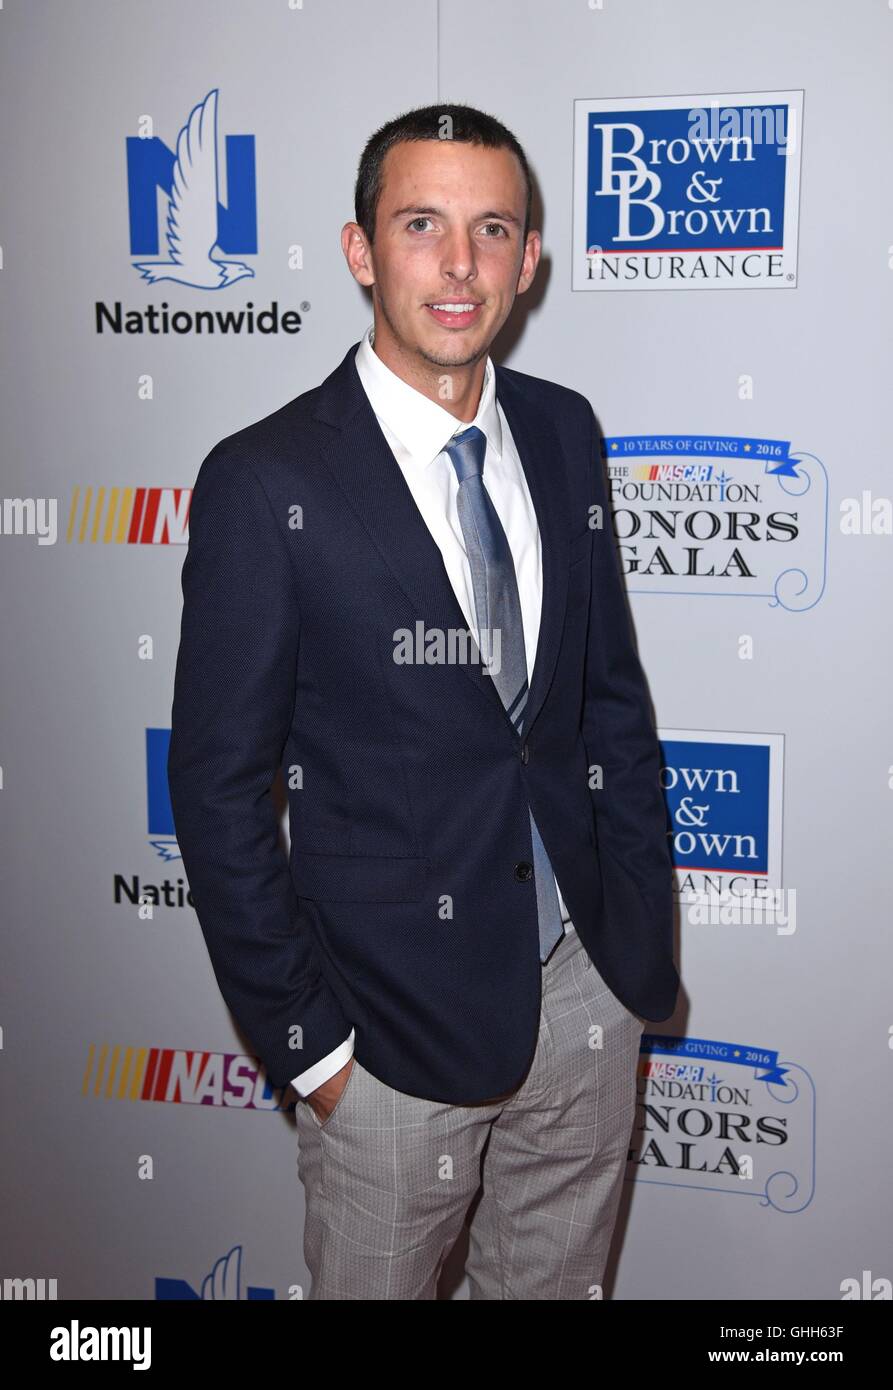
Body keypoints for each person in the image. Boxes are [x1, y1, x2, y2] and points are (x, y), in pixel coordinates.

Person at [168, 103, 679, 1300]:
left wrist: (632, 949)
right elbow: (217, 785)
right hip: (385, 1038)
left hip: (580, 993)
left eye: (490, 228)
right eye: (420, 225)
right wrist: (318, 1052)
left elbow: (610, 704)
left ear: (528, 258)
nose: (458, 265)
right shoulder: (267, 480)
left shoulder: (560, 433)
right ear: (360, 251)